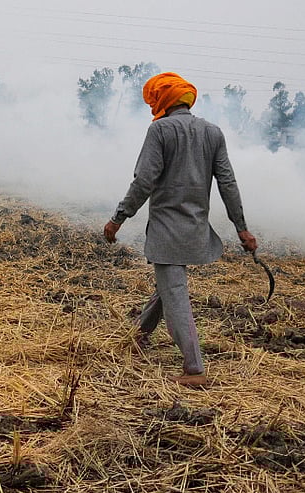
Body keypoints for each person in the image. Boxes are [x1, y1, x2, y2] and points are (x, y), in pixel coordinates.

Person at [103, 72, 258, 388]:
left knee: (174, 292)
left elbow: (144, 180)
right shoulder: (212, 132)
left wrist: (118, 217)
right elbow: (227, 182)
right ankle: (138, 337)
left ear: (161, 101)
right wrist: (241, 228)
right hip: (196, 230)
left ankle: (194, 368)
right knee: (167, 286)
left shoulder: (159, 130)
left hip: (165, 230)